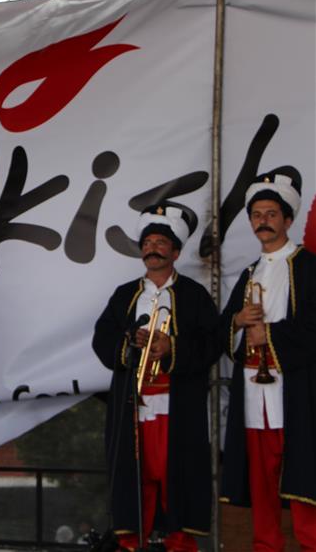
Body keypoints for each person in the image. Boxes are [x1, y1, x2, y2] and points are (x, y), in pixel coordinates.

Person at [92, 203, 219, 552]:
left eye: (161, 241)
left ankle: (179, 543)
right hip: (135, 404)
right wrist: (130, 344)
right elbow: (102, 340)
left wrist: (170, 347)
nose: (152, 247)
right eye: (148, 241)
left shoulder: (194, 296)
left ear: (176, 251)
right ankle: (134, 542)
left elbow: (212, 344)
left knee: (175, 475)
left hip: (177, 406)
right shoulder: (124, 295)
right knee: (137, 476)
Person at [219, 172, 316, 551]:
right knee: (260, 478)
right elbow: (222, 333)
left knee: (304, 476)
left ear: (287, 220)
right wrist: (238, 323)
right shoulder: (248, 275)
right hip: (252, 393)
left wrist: (269, 335)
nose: (263, 220)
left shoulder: (309, 268)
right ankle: (266, 545)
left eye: (271, 213)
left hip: (294, 391)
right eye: (257, 214)